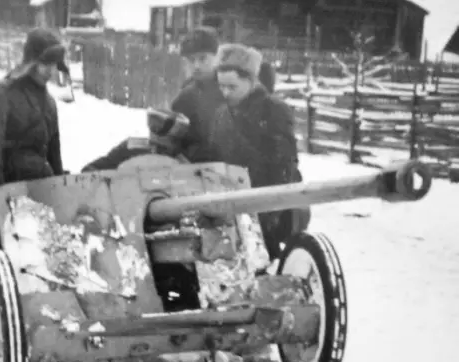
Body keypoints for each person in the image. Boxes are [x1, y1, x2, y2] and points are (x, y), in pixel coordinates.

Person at [0, 28, 67, 249]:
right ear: (30, 61)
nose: (50, 71)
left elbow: (54, 155)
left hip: (35, 206)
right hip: (0, 210)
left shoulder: (48, 103)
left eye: (54, 65)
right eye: (45, 64)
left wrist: (60, 192)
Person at [209, 43, 309, 260]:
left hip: (270, 205)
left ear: (251, 81)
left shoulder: (274, 111)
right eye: (221, 86)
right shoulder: (220, 115)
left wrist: (269, 213)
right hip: (232, 205)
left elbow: (284, 164)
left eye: (232, 87)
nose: (225, 93)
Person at [169, 27, 223, 163]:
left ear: (216, 57)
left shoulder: (229, 88)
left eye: (203, 58)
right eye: (191, 60)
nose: (196, 65)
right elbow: (174, 139)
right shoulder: (186, 95)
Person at [81, 108, 190, 172]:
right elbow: (92, 169)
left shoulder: (179, 158)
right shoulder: (131, 147)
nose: (155, 130)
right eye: (154, 124)